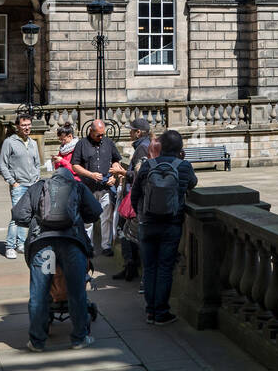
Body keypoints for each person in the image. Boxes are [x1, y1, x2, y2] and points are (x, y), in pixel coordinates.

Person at [12, 165, 104, 351]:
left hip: (44, 247)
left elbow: (19, 215)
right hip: (71, 244)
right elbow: (95, 212)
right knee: (76, 292)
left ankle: (37, 341)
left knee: (40, 293)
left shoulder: (38, 187)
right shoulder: (77, 187)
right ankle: (79, 339)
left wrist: (38, 220)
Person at [131, 129, 198, 326]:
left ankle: (151, 311)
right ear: (180, 149)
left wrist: (142, 214)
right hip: (171, 224)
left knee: (150, 267)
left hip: (148, 224)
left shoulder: (147, 165)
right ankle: (161, 312)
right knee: (164, 268)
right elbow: (192, 183)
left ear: (162, 147)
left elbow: (135, 195)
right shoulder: (184, 166)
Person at [71, 119, 124, 256]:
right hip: (88, 188)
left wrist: (115, 175)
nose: (101, 137)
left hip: (106, 187)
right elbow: (74, 165)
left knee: (106, 217)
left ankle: (106, 246)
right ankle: (89, 246)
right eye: (98, 135)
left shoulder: (108, 143)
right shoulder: (81, 144)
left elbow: (117, 160)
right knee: (88, 220)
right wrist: (90, 174)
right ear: (91, 131)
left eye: (102, 134)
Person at [112, 118, 153, 282]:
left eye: (131, 130)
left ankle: (130, 267)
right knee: (128, 234)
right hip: (133, 197)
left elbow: (139, 176)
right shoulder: (144, 146)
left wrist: (123, 173)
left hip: (134, 199)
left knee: (127, 233)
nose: (129, 132)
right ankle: (129, 266)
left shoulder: (142, 148)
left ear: (138, 133)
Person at [0, 115, 41, 260]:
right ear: (17, 126)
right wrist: (12, 182)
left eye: (29, 124)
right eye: (23, 125)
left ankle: (21, 243)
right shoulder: (9, 142)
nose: (27, 127)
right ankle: (10, 246)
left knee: (27, 217)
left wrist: (37, 177)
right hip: (19, 185)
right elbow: (2, 165)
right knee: (16, 217)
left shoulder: (33, 143)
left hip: (32, 185)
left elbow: (37, 163)